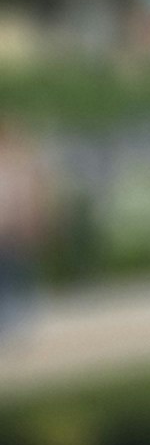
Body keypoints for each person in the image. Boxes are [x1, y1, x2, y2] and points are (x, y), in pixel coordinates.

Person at [0, 123, 50, 342]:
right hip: (10, 226)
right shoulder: (15, 161)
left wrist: (32, 219)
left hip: (14, 228)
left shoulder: (17, 160)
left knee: (16, 271)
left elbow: (27, 193)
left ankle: (17, 319)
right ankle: (13, 320)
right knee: (11, 272)